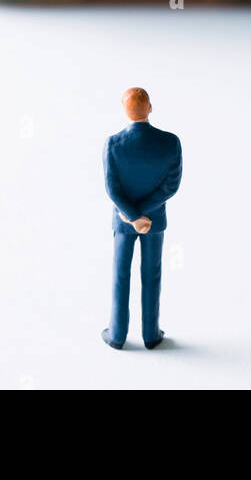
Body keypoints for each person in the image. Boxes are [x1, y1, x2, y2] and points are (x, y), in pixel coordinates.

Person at [101, 87, 182, 350]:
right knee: (152, 275)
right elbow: (171, 186)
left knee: (120, 275)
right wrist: (144, 214)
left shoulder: (113, 144)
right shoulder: (170, 142)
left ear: (125, 110)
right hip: (153, 221)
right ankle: (150, 334)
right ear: (149, 108)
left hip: (124, 222)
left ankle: (116, 334)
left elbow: (112, 189)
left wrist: (133, 216)